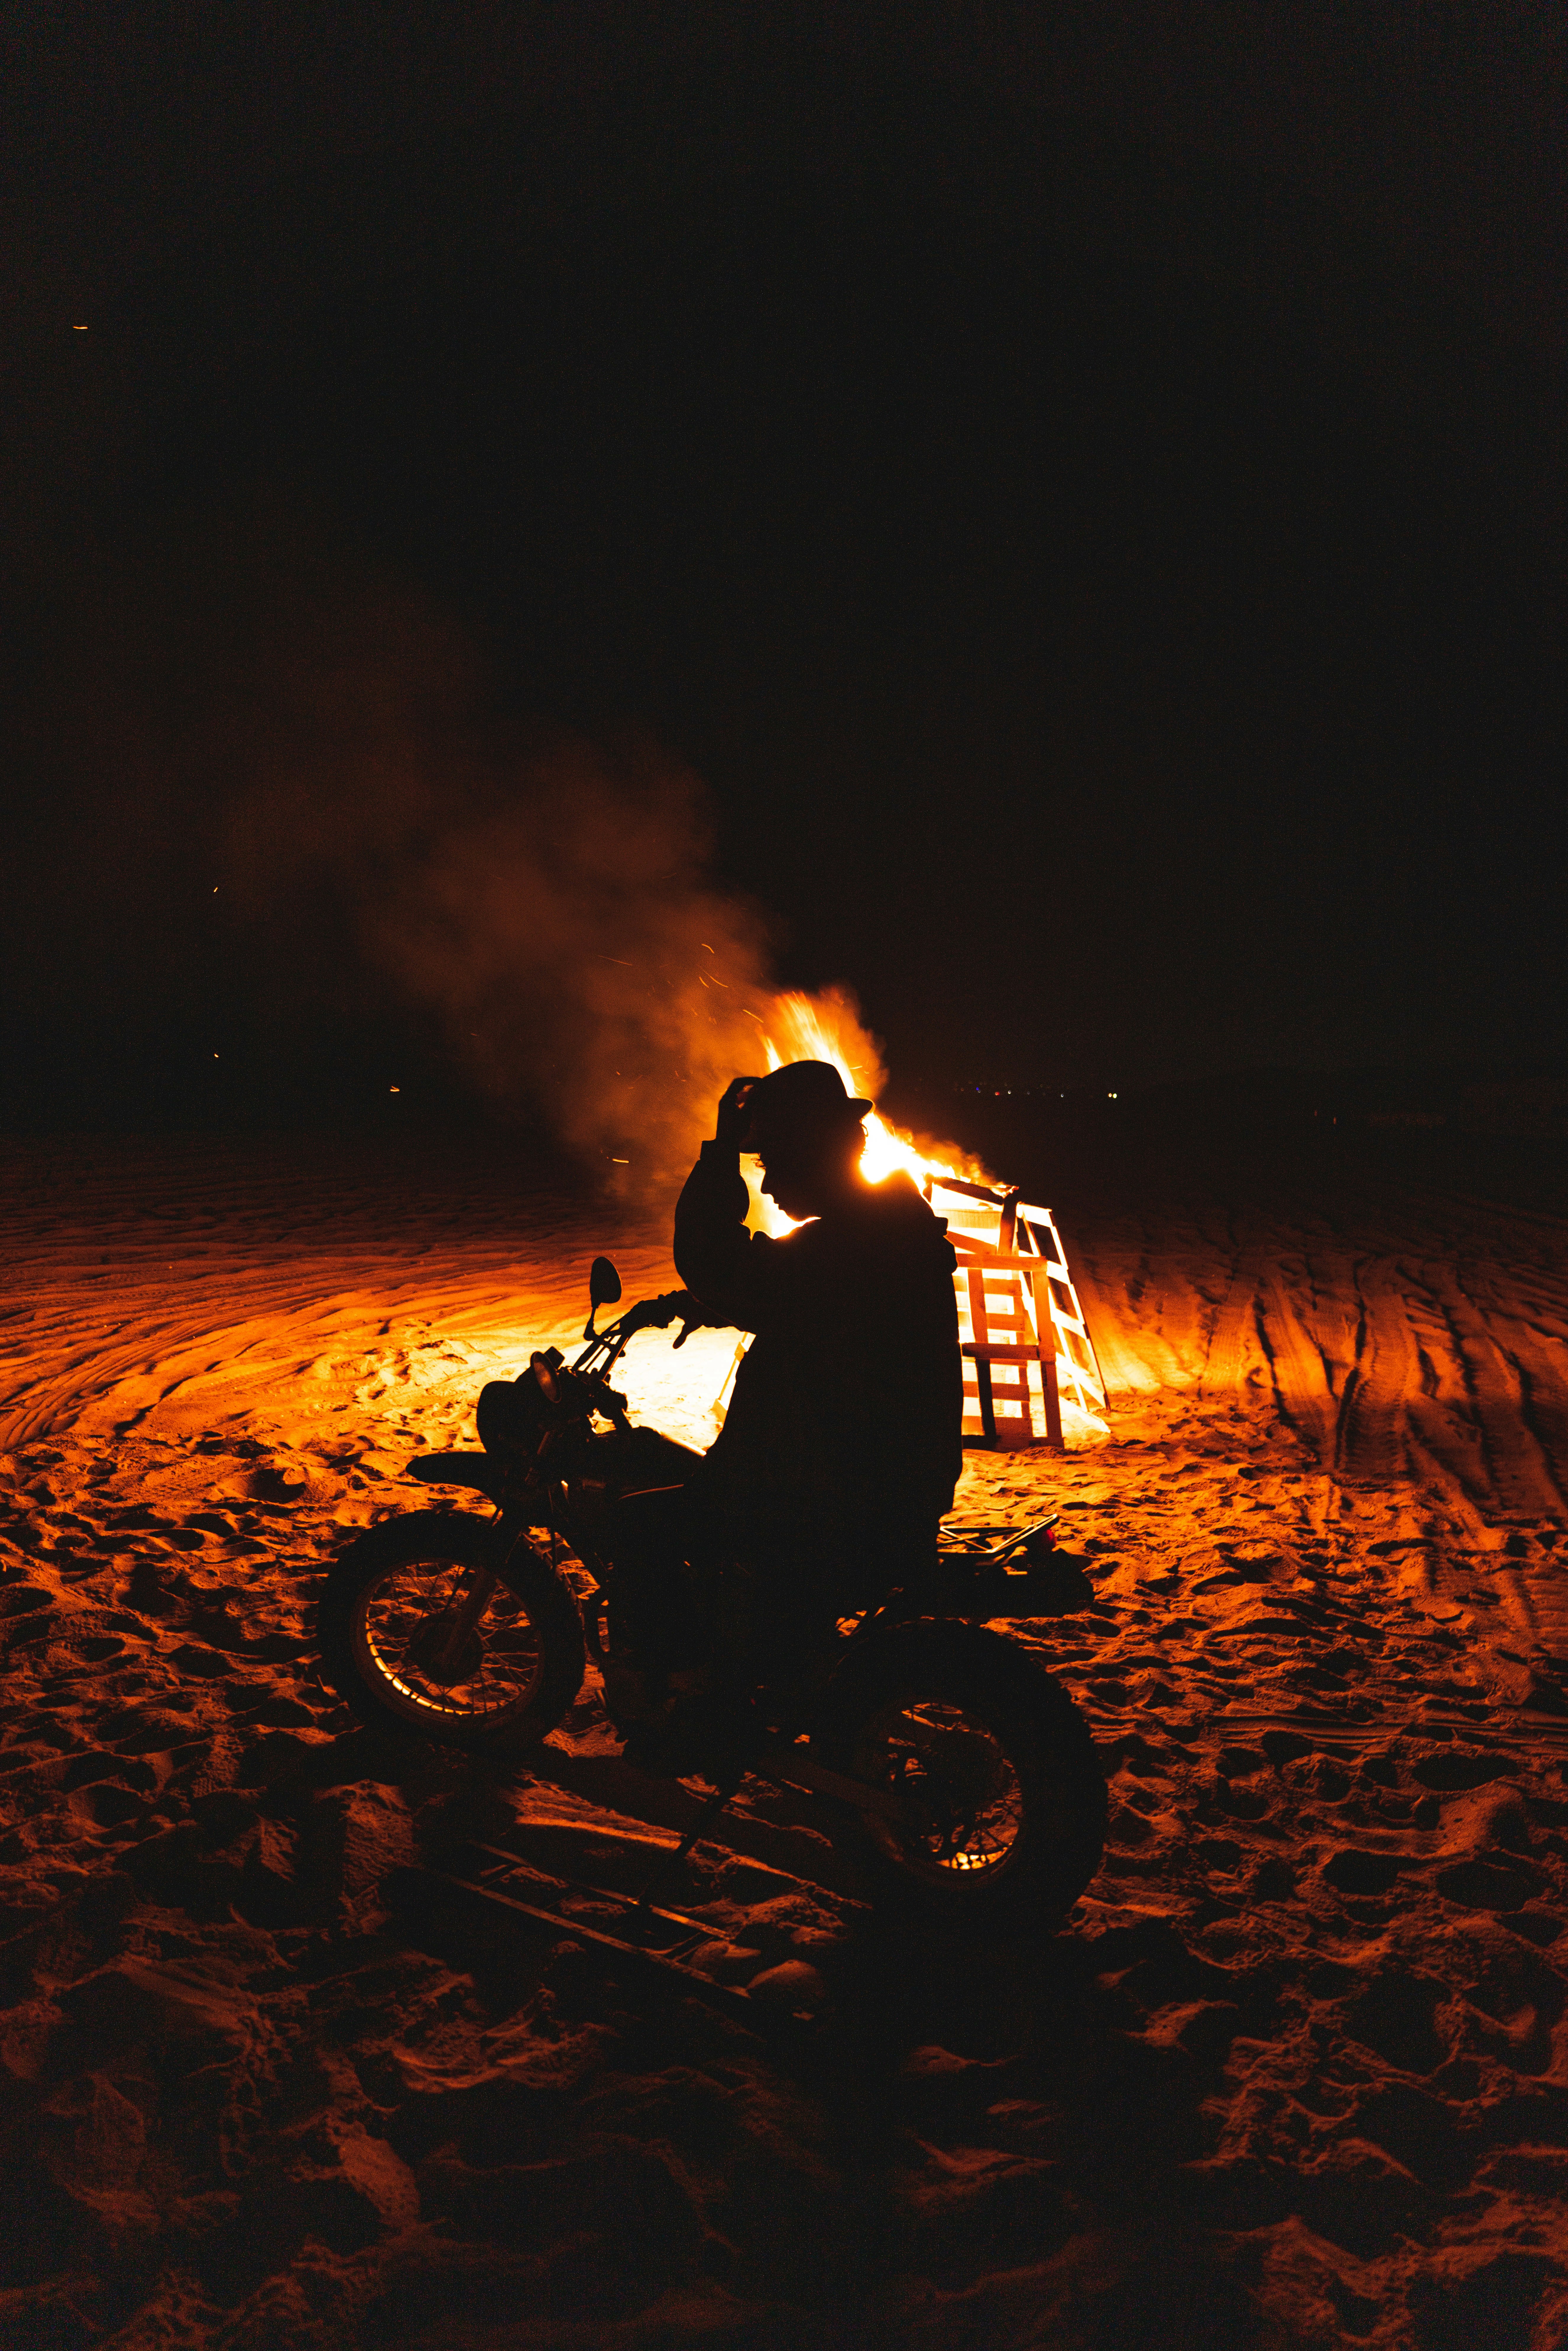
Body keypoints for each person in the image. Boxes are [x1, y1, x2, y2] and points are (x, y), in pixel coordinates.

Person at [671, 1060, 963, 1677]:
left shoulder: (849, 1249)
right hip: (890, 1485)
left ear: (811, 1154)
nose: (769, 1184)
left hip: (825, 1498)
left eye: (774, 1161)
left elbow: (718, 1260)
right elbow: (802, 1303)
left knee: (661, 1531)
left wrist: (723, 1147)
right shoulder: (892, 1225)